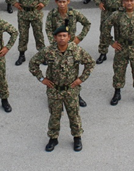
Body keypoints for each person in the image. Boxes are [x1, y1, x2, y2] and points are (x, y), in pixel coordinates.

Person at [29, 25, 95, 153]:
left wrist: (81, 79)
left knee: (74, 115)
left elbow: (90, 63)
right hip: (54, 90)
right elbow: (33, 63)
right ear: (55, 37)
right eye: (59, 36)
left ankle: (77, 137)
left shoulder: (76, 50)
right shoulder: (49, 51)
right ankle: (53, 138)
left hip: (71, 89)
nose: (62, 38)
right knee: (54, 115)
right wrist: (42, 79)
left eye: (64, 35)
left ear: (69, 37)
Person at [44, 0, 92, 107]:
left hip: (71, 47)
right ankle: (54, 94)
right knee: (54, 70)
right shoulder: (52, 14)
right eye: (59, 2)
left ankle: (76, 94)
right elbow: (48, 29)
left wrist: (79, 38)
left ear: (68, 2)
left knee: (73, 71)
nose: (62, 4)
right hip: (57, 46)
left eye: (64, 2)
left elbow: (87, 24)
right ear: (56, 2)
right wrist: (53, 42)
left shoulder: (74, 13)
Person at [6, 0, 53, 66]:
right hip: (23, 13)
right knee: (23, 35)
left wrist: (44, 3)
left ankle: (42, 55)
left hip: (36, 13)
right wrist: (14, 3)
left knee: (39, 35)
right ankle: (21, 55)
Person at [89, 0, 134, 64]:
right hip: (107, 11)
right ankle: (103, 52)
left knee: (121, 32)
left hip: (120, 11)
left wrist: (128, 3)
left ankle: (121, 52)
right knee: (104, 31)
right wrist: (98, 2)